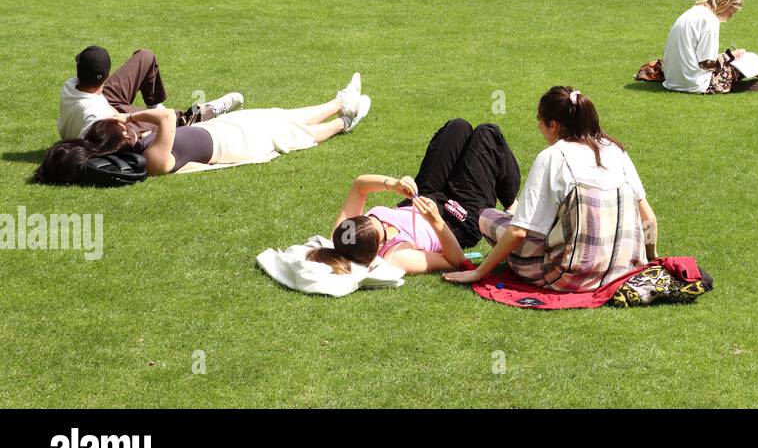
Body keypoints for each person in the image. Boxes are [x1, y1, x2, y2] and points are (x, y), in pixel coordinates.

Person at [442, 87, 658, 291]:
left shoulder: (553, 156)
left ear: (553, 125)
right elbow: (648, 217)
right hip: (624, 270)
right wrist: (651, 258)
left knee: (487, 217)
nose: (539, 126)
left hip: (568, 277)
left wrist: (479, 272)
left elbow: (518, 232)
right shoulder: (614, 150)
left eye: (540, 120)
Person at [37, 74, 369, 183]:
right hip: (233, 144)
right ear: (120, 140)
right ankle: (344, 121)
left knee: (281, 114)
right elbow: (166, 116)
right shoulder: (153, 159)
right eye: (124, 132)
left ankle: (340, 102)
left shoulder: (143, 145)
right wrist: (126, 119)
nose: (128, 129)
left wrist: (125, 123)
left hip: (225, 129)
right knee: (294, 134)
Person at [306, 118, 520, 275]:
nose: (380, 220)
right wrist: (435, 220)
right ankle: (511, 203)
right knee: (487, 134)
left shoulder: (343, 234)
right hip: (456, 220)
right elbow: (455, 261)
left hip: (419, 198)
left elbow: (359, 186)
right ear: (378, 247)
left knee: (457, 127)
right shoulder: (398, 256)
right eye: (382, 228)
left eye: (373, 217)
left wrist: (393, 184)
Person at [57, 45, 241, 141]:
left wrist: (119, 113)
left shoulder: (70, 85)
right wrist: (139, 129)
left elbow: (99, 103)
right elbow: (104, 144)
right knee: (171, 120)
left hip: (105, 103)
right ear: (106, 77)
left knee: (145, 57)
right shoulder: (100, 119)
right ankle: (198, 115)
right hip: (104, 126)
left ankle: (155, 105)